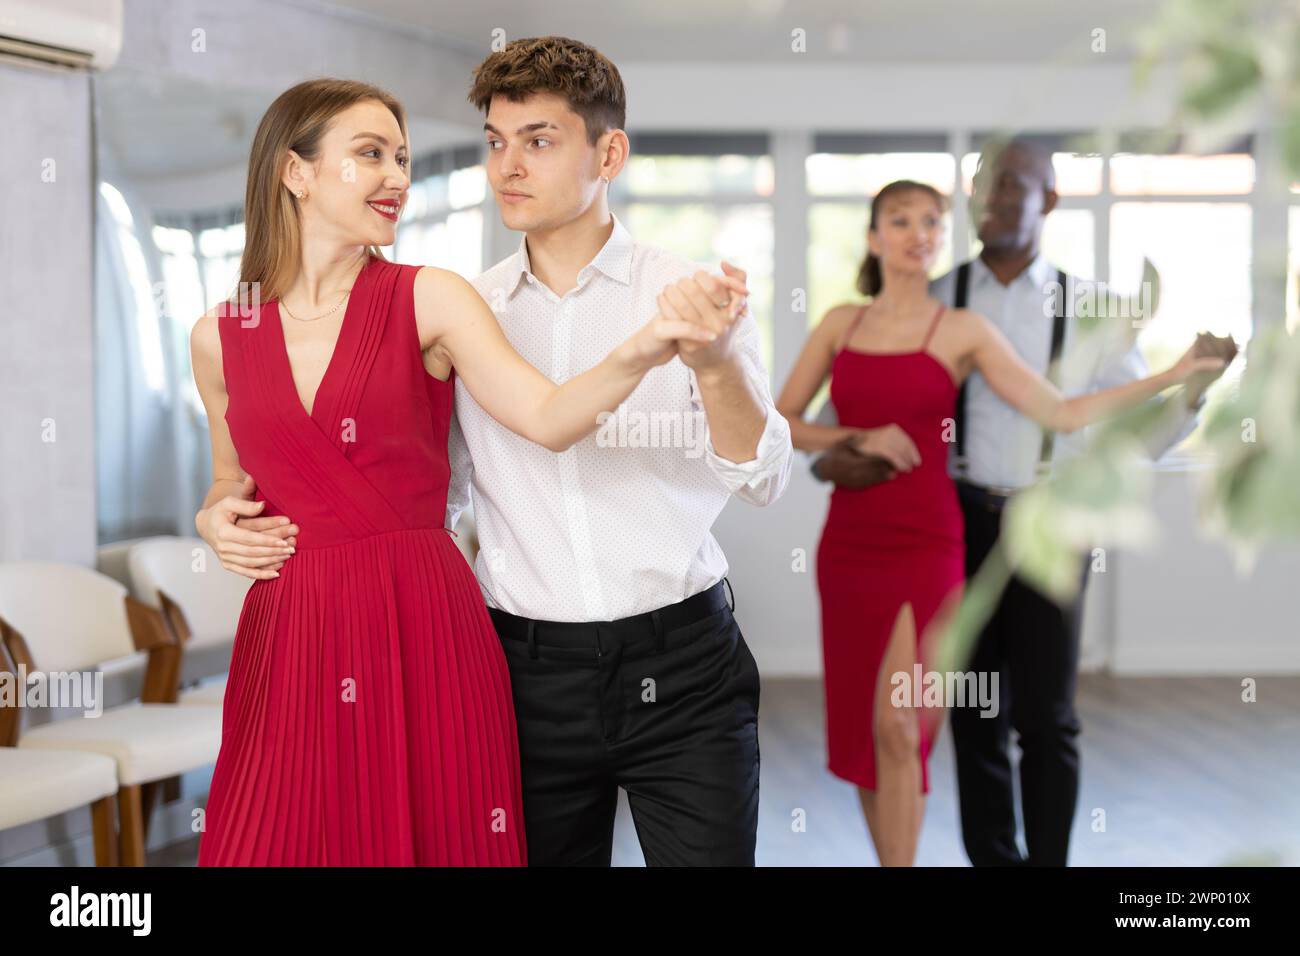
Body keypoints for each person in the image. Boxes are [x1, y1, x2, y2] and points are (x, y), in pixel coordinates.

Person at [189, 77, 733, 866]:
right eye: (370, 154)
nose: (397, 177)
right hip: (292, 634)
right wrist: (212, 521)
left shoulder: (429, 299)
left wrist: (650, 342)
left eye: (403, 158)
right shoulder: (218, 335)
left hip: (423, 625)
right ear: (295, 171)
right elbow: (224, 482)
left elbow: (547, 418)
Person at [777, 175, 1228, 867]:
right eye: (899, 220)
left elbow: (1063, 410)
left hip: (932, 543)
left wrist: (1172, 375)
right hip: (851, 545)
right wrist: (854, 440)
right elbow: (783, 423)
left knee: (904, 721)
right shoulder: (840, 323)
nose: (918, 233)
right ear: (874, 237)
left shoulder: (964, 328)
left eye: (931, 221)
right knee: (872, 733)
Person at [447, 36, 793, 866]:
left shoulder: (687, 295)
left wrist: (713, 362)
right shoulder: (463, 313)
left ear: (610, 151)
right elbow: (443, 491)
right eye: (496, 142)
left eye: (539, 140)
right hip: (526, 677)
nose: (507, 168)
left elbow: (762, 477)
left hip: (686, 672)